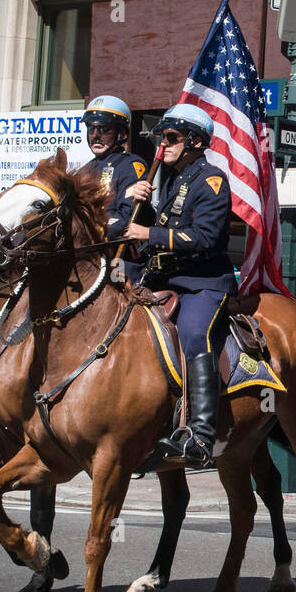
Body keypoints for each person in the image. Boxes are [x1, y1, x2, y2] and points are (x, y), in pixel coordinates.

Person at [119, 102, 236, 469]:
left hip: (201, 282)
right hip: (160, 277)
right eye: (161, 137)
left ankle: (201, 435)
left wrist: (148, 231)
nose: (162, 145)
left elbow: (204, 237)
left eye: (172, 137)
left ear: (196, 143)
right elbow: (153, 230)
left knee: (194, 333)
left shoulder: (212, 180)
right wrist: (134, 203)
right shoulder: (167, 181)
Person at [85, 94, 148, 283]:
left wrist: (86, 233)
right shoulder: (84, 170)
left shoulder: (131, 165)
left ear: (121, 133)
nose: (95, 135)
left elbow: (125, 220)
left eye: (103, 129)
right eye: (91, 128)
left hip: (119, 259)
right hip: (87, 256)